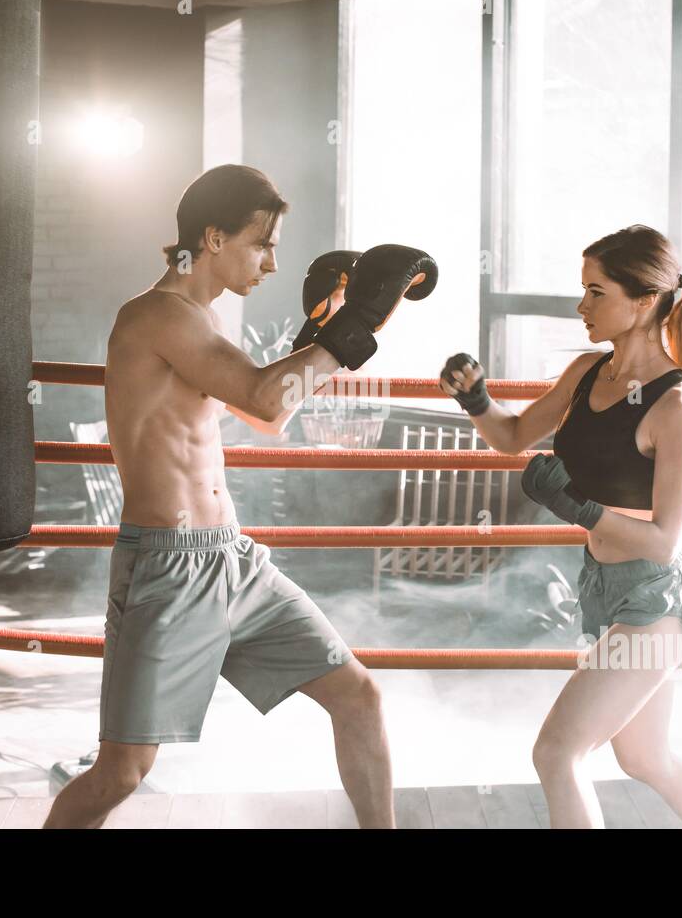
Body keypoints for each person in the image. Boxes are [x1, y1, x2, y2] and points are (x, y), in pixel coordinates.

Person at [45, 164, 433, 828]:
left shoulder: (200, 318)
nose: (274, 263)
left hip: (233, 562)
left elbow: (261, 414)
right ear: (214, 238)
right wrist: (354, 327)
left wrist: (318, 338)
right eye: (263, 243)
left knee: (359, 698)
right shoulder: (155, 316)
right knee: (122, 773)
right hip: (166, 572)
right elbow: (261, 398)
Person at [438, 224, 682, 829]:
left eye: (596, 292)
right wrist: (475, 400)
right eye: (583, 290)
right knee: (648, 759)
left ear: (645, 299)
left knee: (557, 752)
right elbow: (514, 437)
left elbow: (664, 540)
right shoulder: (584, 372)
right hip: (608, 585)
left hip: (660, 594)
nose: (582, 307)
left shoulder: (675, 407)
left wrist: (576, 507)